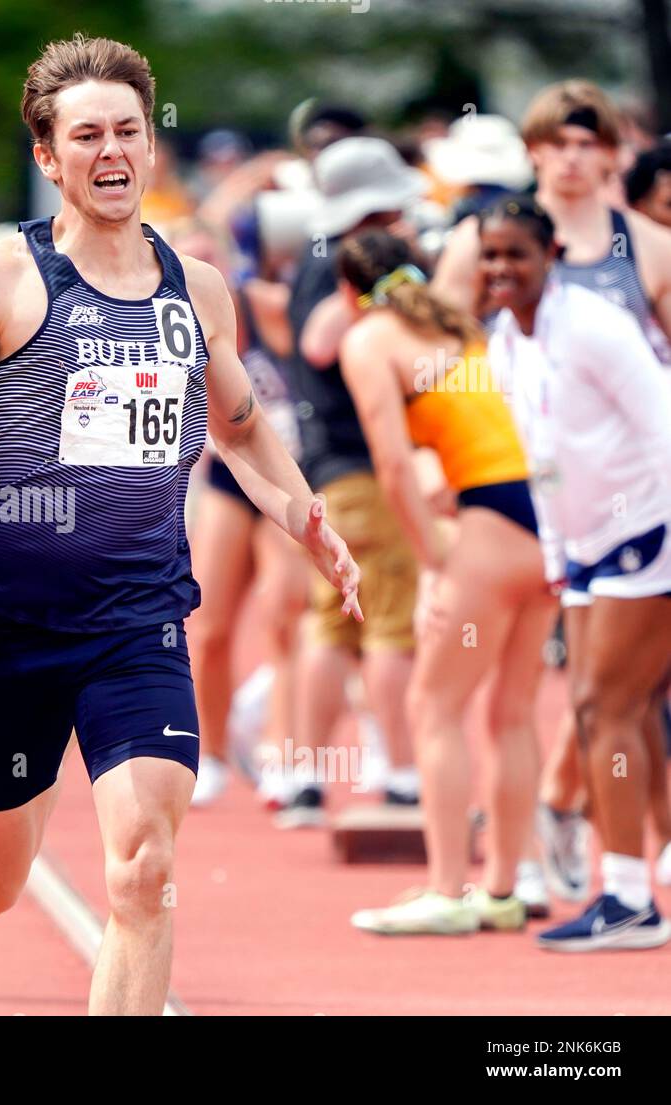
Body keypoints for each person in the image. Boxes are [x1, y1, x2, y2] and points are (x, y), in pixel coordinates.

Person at [0, 34, 361, 1015]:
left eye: (129, 132)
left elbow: (238, 427)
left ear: (151, 146)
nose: (112, 152)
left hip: (136, 624)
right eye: (87, 136)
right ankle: (36, 773)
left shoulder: (195, 290)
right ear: (47, 156)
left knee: (142, 869)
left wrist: (301, 514)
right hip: (9, 623)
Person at [434, 82, 671, 896]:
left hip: (638, 497)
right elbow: (439, 350)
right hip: (525, 489)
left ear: (611, 155)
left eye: (588, 144)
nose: (572, 159)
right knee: (577, 691)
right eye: (557, 143)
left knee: (615, 692)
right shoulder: (485, 248)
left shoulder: (644, 246)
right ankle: (554, 840)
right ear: (532, 151)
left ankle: (600, 843)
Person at [336, 231, 557, 933]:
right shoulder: (453, 323)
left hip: (492, 520)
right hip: (547, 519)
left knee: (434, 707)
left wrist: (434, 564)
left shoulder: (370, 338)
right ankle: (501, 887)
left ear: (350, 293)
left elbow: (395, 466)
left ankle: (447, 888)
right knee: (513, 711)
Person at [481, 197, 671, 950]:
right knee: (629, 705)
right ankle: (642, 872)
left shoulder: (595, 325)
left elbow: (663, 425)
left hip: (647, 528)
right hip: (590, 541)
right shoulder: (506, 341)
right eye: (489, 255)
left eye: (515, 255)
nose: (500, 269)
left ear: (551, 253)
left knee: (601, 705)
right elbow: (542, 456)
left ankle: (627, 895)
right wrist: (561, 556)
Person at [276, 136, 429, 827]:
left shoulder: (313, 262)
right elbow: (318, 341)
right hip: (364, 467)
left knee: (330, 624)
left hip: (325, 470)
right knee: (389, 623)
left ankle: (309, 773)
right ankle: (400, 771)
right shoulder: (349, 270)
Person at [165, 219, 306, 808]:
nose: (199, 277)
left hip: (291, 478)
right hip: (227, 481)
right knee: (212, 625)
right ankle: (215, 753)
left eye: (207, 261)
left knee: (286, 615)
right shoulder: (165, 327)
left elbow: (322, 366)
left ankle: (284, 755)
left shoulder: (268, 308)